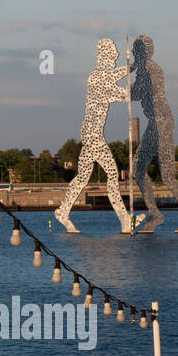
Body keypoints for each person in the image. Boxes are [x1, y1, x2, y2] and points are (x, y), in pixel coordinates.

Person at [55, 39, 132, 234]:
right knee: (113, 175)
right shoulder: (98, 77)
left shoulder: (100, 74)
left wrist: (132, 68)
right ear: (103, 56)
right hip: (93, 133)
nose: (115, 57)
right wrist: (134, 89)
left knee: (82, 177)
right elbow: (119, 93)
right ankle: (125, 220)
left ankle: (63, 211)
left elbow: (115, 75)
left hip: (89, 132)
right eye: (112, 54)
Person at [130, 36, 178, 233]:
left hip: (162, 124)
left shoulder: (151, 70)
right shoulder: (145, 70)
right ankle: (156, 214)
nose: (136, 54)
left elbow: (137, 92)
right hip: (155, 123)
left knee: (167, 175)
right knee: (138, 168)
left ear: (145, 52)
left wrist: (116, 87)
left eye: (138, 51)